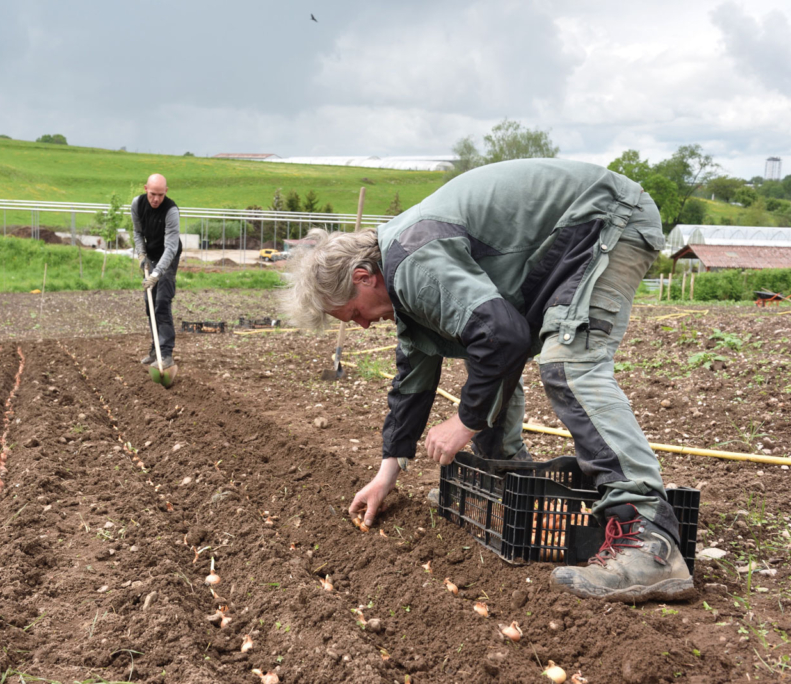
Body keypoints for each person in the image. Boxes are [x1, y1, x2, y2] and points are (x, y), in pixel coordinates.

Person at [282, 159, 692, 603]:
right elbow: (413, 380)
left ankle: (648, 539)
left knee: (568, 362)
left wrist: (464, 420)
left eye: (354, 313)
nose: (361, 326)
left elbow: (503, 337)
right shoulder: (403, 276)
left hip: (605, 220)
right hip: (573, 235)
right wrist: (388, 472)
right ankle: (525, 496)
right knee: (490, 357)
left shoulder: (413, 263)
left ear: (364, 278)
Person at [131, 174, 181, 368]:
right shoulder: (137, 204)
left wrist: (156, 273)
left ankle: (166, 354)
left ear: (166, 192)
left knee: (161, 302)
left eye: (160, 195)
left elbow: (171, 247)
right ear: (146, 189)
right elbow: (137, 232)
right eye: (152, 194)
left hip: (168, 258)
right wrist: (141, 254)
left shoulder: (171, 211)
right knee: (149, 303)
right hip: (150, 256)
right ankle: (155, 349)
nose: (156, 199)